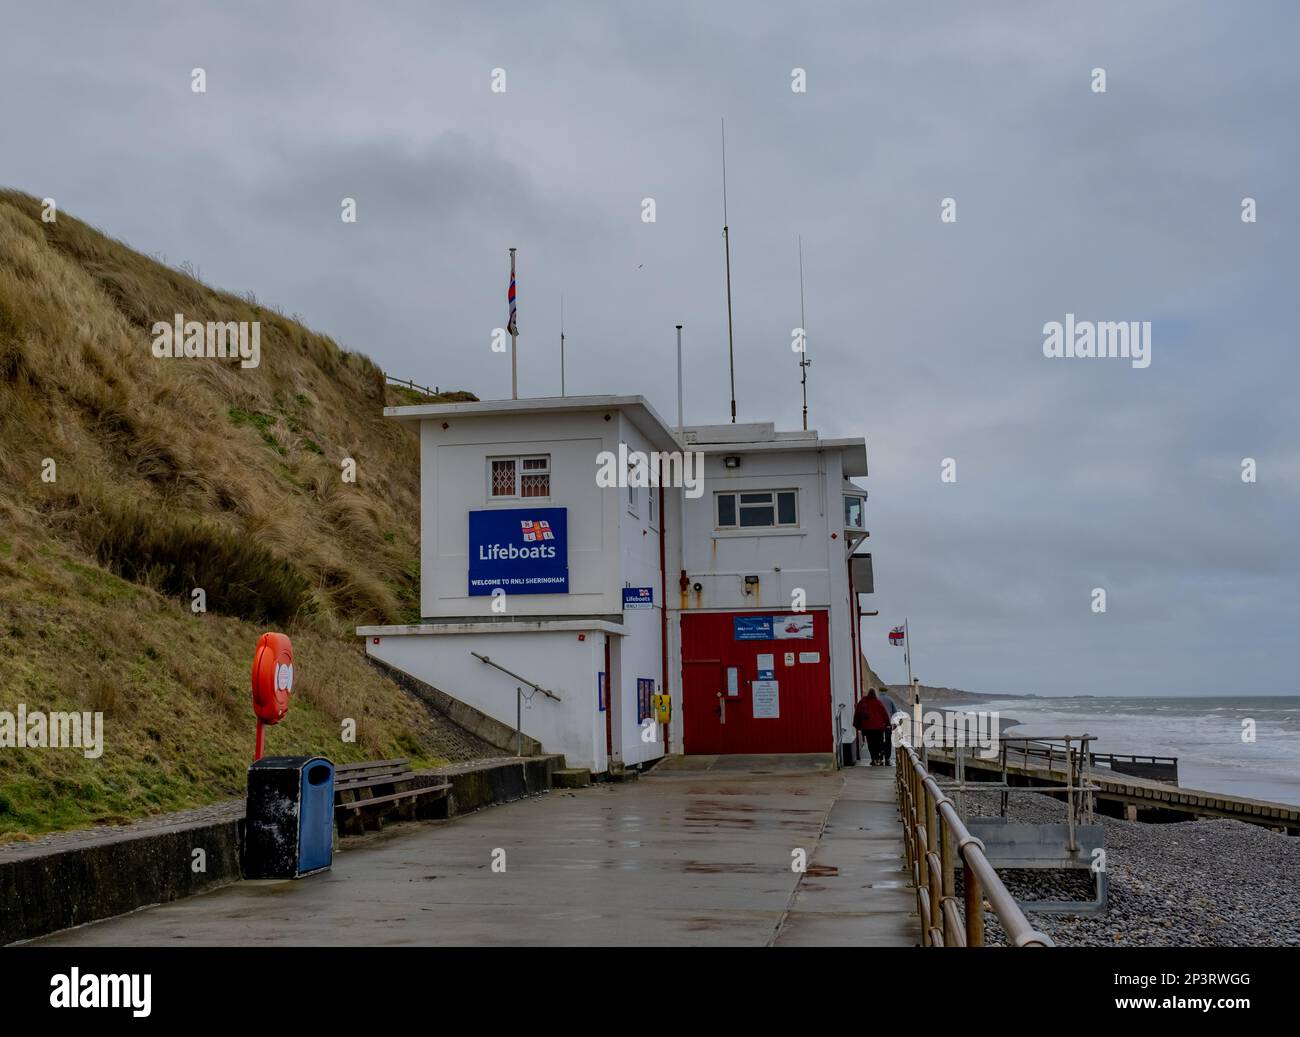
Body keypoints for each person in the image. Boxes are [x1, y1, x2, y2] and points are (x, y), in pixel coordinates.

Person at [852, 688, 892, 765]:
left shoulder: (863, 702)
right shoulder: (878, 702)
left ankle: (873, 759)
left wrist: (856, 725)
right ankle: (879, 758)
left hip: (867, 728)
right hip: (879, 728)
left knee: (870, 743)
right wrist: (888, 724)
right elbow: (885, 714)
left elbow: (857, 713)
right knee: (878, 742)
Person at [879, 690, 898, 765]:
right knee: (888, 741)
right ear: (886, 692)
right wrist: (895, 724)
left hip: (879, 725)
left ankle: (880, 756)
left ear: (879, 691)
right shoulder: (890, 700)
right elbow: (895, 712)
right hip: (888, 724)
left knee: (880, 740)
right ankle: (887, 758)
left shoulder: (877, 699)